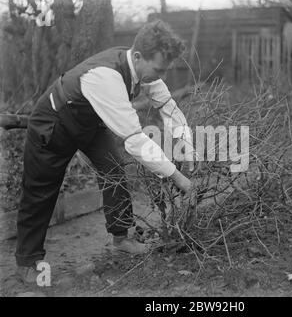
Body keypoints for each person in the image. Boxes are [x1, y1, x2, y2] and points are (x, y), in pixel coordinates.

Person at [15, 20, 195, 283]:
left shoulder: (146, 71)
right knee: (41, 190)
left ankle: (121, 238)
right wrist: (177, 178)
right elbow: (135, 140)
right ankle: (27, 263)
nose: (161, 76)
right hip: (54, 123)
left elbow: (169, 108)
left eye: (165, 70)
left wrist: (186, 152)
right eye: (158, 69)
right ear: (138, 56)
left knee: (113, 168)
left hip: (89, 123)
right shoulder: (106, 76)